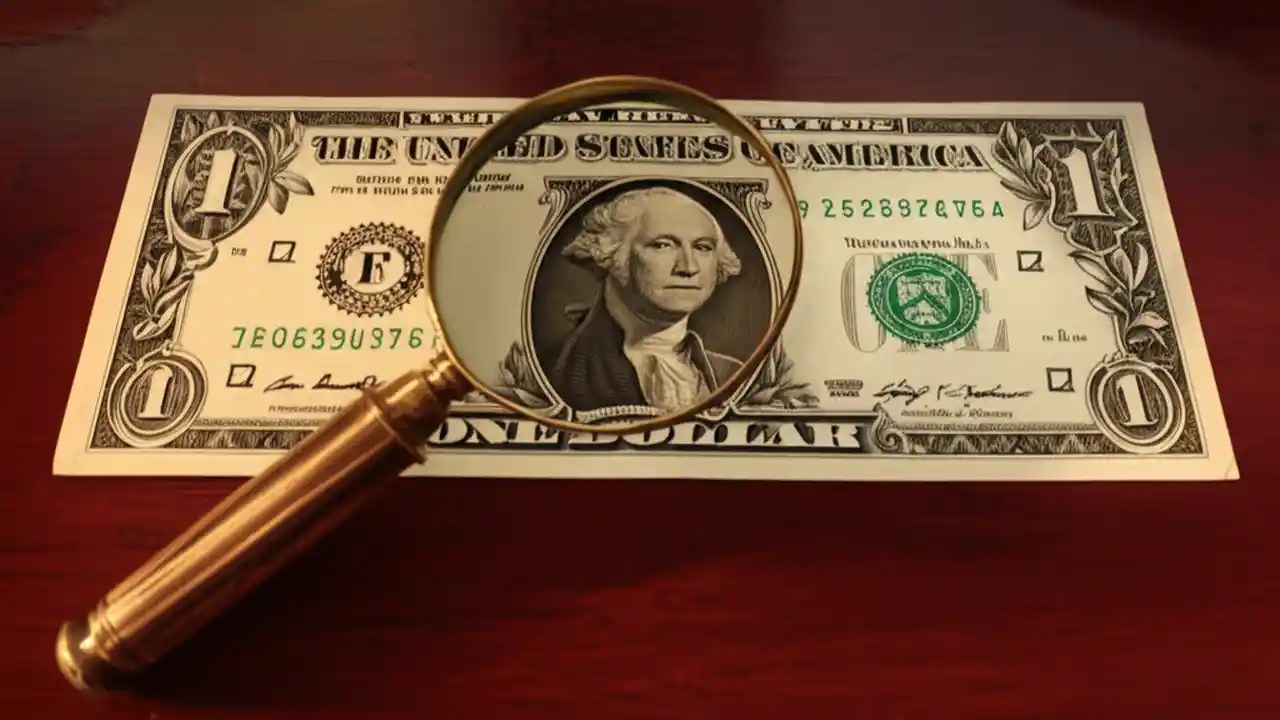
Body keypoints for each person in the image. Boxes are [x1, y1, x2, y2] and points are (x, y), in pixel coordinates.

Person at [547, 186, 744, 414]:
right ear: (612, 254)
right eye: (662, 245)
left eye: (702, 247)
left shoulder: (734, 375)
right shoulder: (557, 369)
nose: (688, 267)